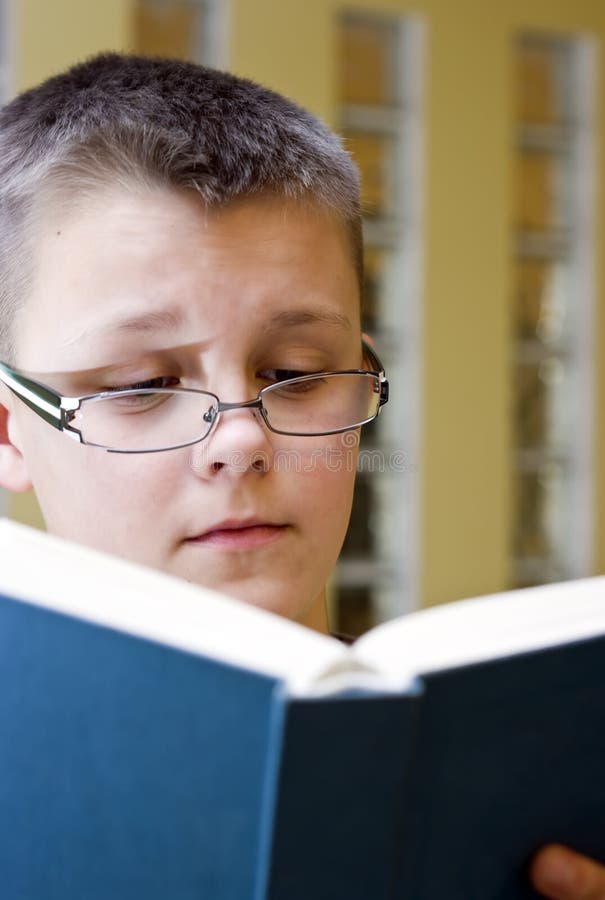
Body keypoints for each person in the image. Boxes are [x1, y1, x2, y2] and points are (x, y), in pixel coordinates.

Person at [0, 53, 601, 900]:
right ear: (9, 427)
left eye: (294, 370)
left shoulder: (555, 771)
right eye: (141, 385)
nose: (240, 440)